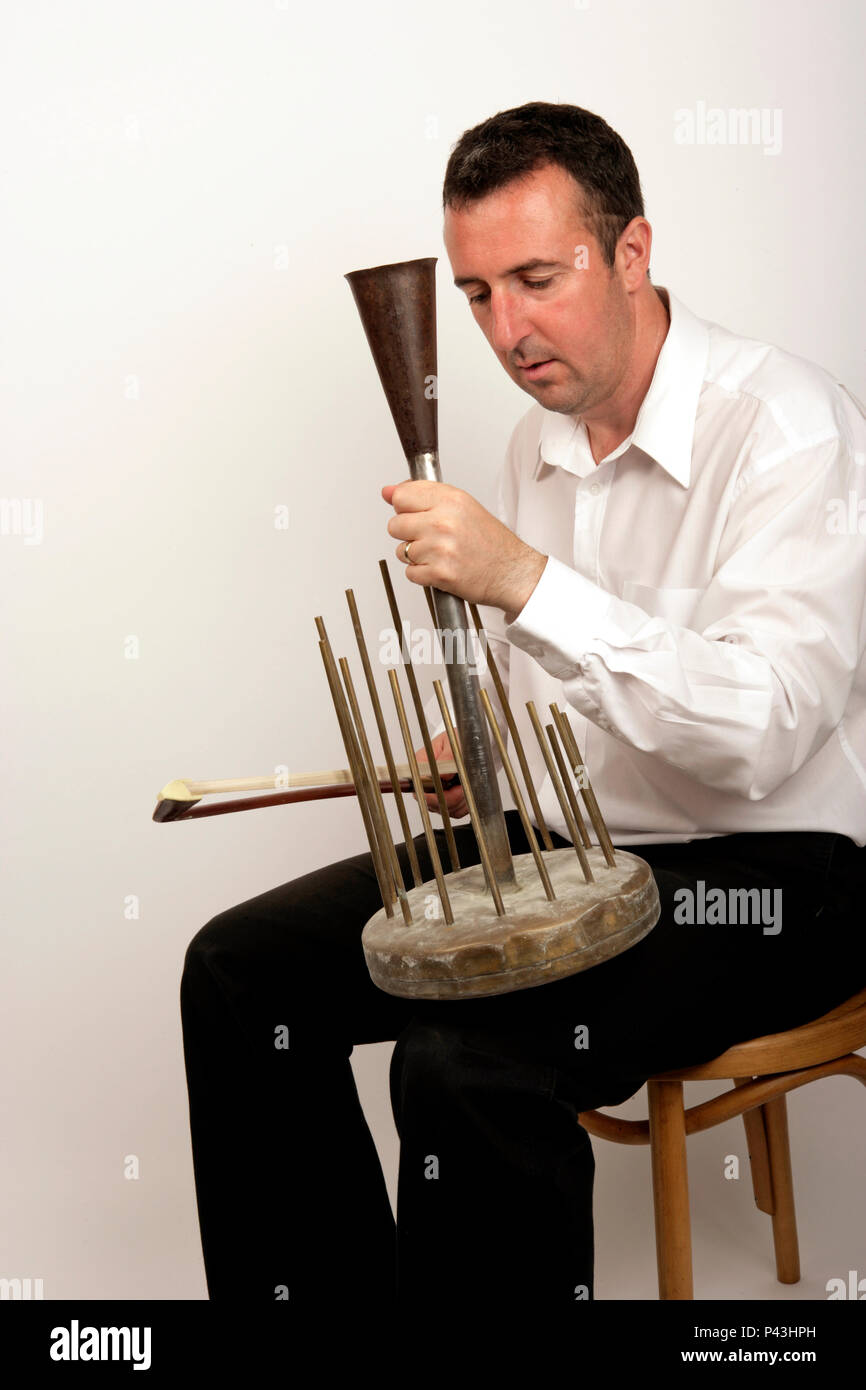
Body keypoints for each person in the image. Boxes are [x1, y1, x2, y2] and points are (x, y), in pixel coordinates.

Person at [180, 101, 866, 1313]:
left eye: (537, 278)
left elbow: (762, 729)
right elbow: (551, 684)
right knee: (238, 972)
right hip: (566, 845)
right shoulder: (533, 446)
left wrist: (520, 580)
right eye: (479, 291)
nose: (506, 327)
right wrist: (477, 747)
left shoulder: (786, 429)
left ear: (632, 253)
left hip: (769, 874)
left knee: (467, 1060)